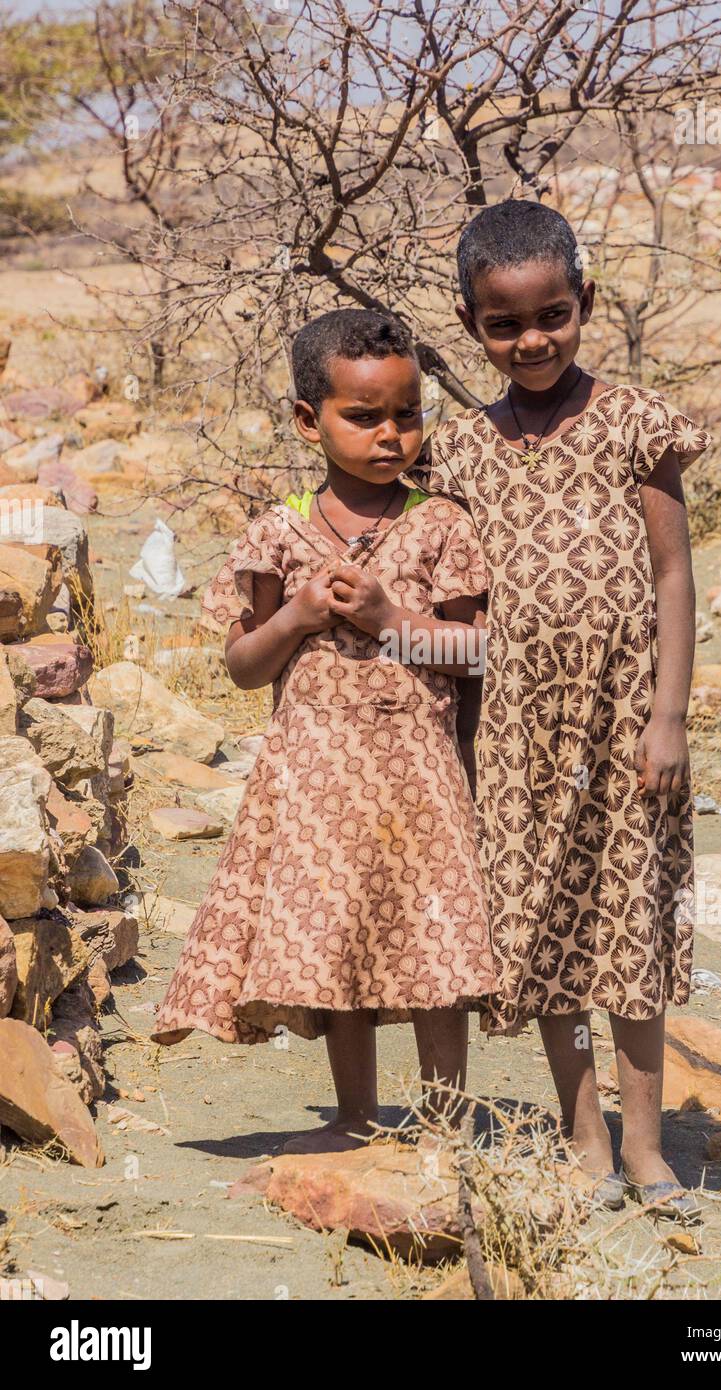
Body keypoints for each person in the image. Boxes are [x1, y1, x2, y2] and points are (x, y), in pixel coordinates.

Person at [406, 200, 711, 1218]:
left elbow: (671, 577)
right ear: (470, 324)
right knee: (548, 933)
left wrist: (667, 716)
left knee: (633, 920)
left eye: (551, 316)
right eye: (503, 324)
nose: (530, 340)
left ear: (584, 302)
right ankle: (580, 1134)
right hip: (517, 734)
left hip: (628, 720)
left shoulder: (632, 420)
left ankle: (645, 1144)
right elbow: (438, 595)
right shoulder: (457, 451)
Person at [153, 308, 495, 1154]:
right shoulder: (277, 535)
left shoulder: (442, 524)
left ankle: (445, 1121)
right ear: (310, 421)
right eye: (364, 416)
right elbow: (243, 667)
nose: (391, 434)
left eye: (407, 414)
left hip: (419, 778)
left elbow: (476, 652)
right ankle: (353, 1118)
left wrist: (389, 617)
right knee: (342, 946)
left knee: (431, 949)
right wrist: (299, 616)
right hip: (313, 787)